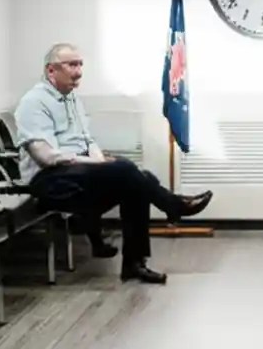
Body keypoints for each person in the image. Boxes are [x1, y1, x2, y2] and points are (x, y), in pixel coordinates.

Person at [13, 43, 213, 284]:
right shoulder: (33, 103)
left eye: (80, 65)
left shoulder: (71, 98)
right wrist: (96, 163)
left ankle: (134, 264)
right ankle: (173, 206)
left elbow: (86, 139)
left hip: (78, 172)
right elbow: (46, 157)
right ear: (51, 71)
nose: (78, 72)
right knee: (128, 171)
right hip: (48, 180)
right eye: (71, 65)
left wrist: (97, 158)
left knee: (137, 181)